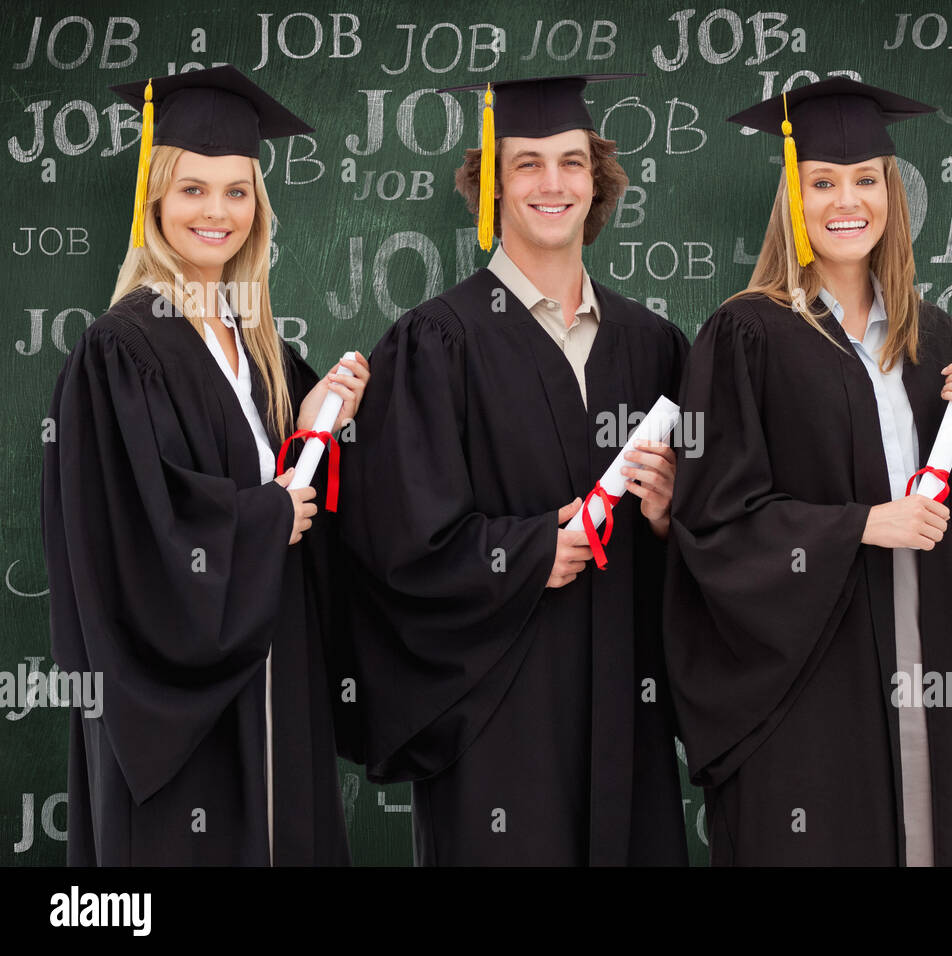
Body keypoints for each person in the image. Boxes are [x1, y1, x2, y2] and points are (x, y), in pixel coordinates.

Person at [663, 78, 952, 866]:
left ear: (891, 193)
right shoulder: (745, 334)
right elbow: (713, 520)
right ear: (793, 197)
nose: (845, 200)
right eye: (821, 182)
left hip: (927, 660)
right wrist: (859, 524)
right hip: (809, 681)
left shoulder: (938, 335)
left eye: (865, 180)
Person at [339, 74, 689, 865]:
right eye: (526, 163)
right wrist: (530, 551)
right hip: (497, 718)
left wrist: (673, 516)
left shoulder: (655, 345)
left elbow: (719, 542)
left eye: (571, 162)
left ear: (596, 181)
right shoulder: (436, 341)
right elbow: (394, 544)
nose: (553, 183)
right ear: (491, 186)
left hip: (629, 711)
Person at [41, 66, 369, 865]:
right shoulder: (123, 349)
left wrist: (320, 415)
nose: (216, 212)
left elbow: (295, 490)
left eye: (236, 191)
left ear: (258, 207)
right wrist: (267, 518)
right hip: (179, 705)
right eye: (193, 190)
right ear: (154, 202)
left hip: (274, 670)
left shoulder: (263, 350)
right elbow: (136, 532)